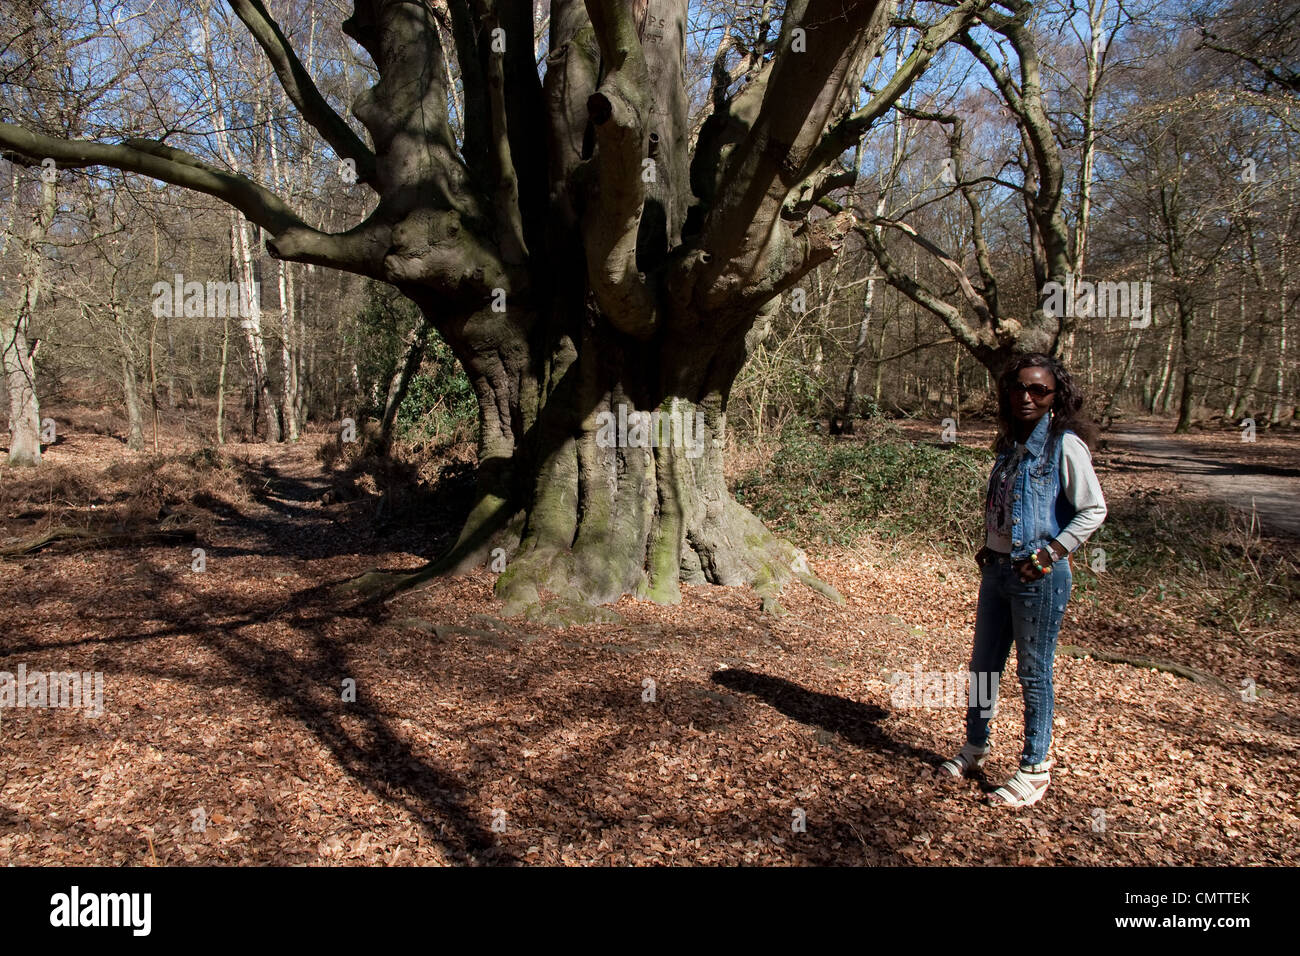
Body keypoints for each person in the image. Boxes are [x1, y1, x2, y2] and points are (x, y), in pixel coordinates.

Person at [937, 353, 1108, 808]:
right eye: (1018, 388)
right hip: (997, 571)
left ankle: (1034, 768)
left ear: (1056, 396)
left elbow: (1094, 509)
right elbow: (1009, 506)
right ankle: (976, 747)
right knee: (983, 668)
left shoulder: (1064, 445)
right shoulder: (1010, 444)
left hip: (1038, 577)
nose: (1026, 397)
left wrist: (1050, 553)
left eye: (1038, 390)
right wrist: (991, 543)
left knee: (1033, 672)